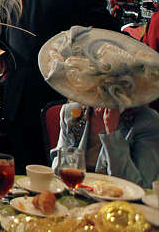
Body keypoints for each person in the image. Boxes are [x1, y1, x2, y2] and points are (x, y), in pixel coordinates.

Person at [0, 0, 120, 168]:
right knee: (60, 169)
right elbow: (110, 41)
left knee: (23, 169)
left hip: (17, 95)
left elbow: (1, 41)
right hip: (62, 97)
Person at [41, 28, 159, 188]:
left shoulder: (147, 122)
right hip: (76, 196)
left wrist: (112, 133)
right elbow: (58, 171)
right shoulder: (71, 113)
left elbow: (141, 185)